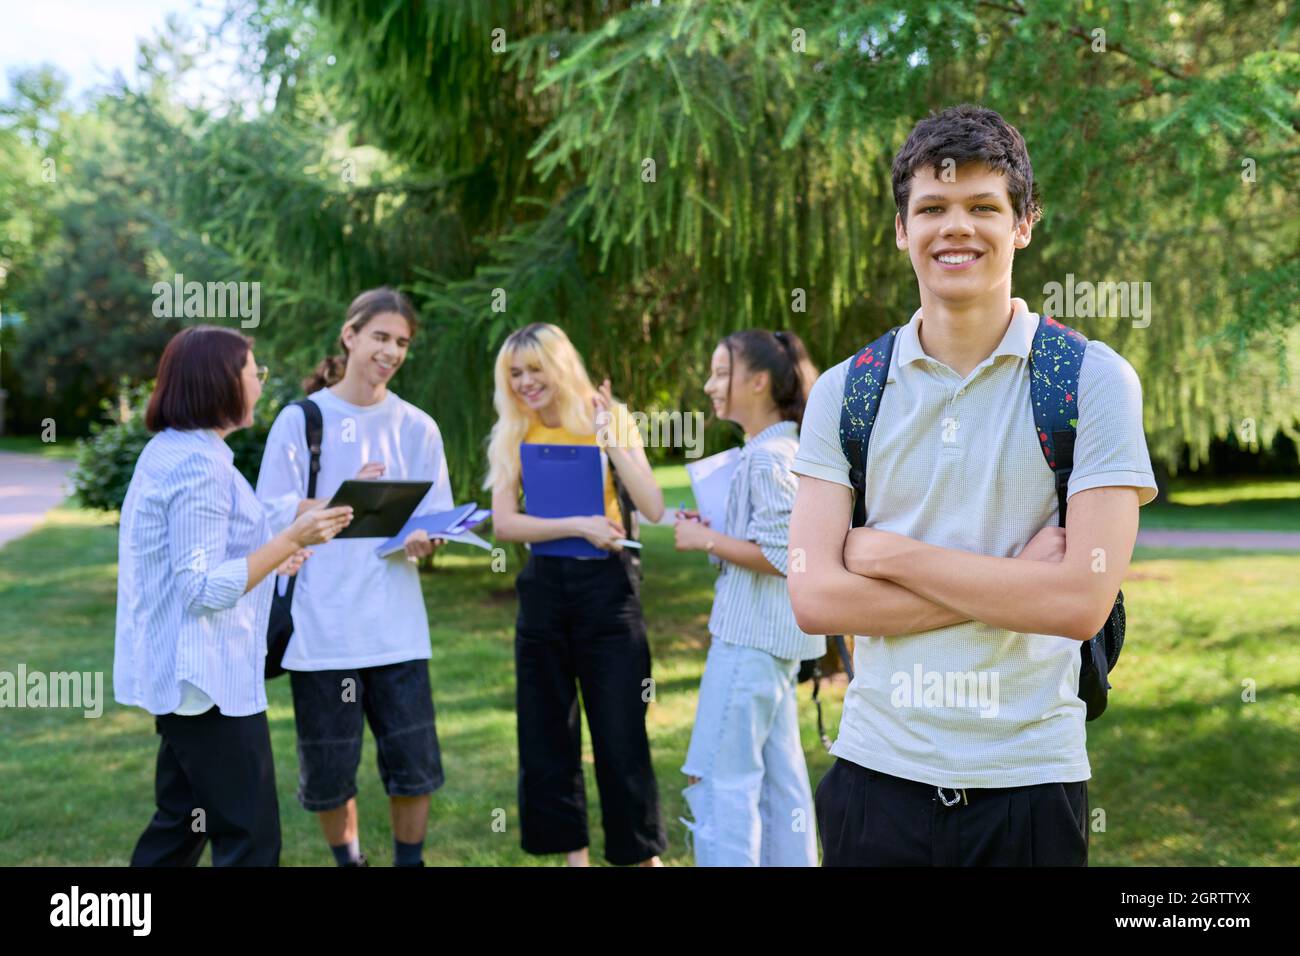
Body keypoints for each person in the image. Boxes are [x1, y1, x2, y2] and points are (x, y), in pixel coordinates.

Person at [787, 104, 1159, 866]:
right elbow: (815, 599)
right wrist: (1017, 580)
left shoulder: (1091, 381)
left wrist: (889, 554)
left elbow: (1078, 604)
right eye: (932, 208)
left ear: (1023, 223)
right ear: (901, 229)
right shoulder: (843, 391)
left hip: (1029, 786)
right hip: (875, 779)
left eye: (984, 207)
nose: (956, 227)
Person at [115, 324, 353, 867]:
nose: (261, 385)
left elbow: (210, 562)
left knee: (179, 826)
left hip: (188, 679)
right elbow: (201, 589)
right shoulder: (198, 466)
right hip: (205, 683)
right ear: (221, 382)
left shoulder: (180, 450)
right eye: (255, 373)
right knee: (250, 840)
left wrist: (277, 555)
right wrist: (292, 539)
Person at [256, 287, 453, 868]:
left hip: (396, 629)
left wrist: (426, 539)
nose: (390, 352)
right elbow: (269, 509)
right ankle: (351, 863)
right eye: (381, 338)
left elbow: (433, 516)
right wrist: (339, 502)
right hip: (322, 632)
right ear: (350, 336)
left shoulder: (418, 427)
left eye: (402, 343)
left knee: (413, 765)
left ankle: (408, 863)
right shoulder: (304, 420)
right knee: (329, 770)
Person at [486, 322, 668, 867]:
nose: (524, 383)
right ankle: (574, 857)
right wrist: (577, 524)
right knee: (545, 733)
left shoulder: (607, 415)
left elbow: (654, 508)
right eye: (514, 374)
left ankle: (641, 856)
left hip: (606, 593)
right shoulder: (514, 429)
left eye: (534, 370)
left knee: (620, 733)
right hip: (544, 591)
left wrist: (611, 440)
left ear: (559, 365)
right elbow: (504, 524)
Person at [673, 329, 825, 866]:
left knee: (719, 778)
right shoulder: (778, 450)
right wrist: (719, 528)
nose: (710, 384)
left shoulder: (766, 459)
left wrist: (705, 539)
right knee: (780, 782)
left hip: (748, 642)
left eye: (721, 372)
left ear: (758, 382)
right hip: (772, 643)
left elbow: (786, 555)